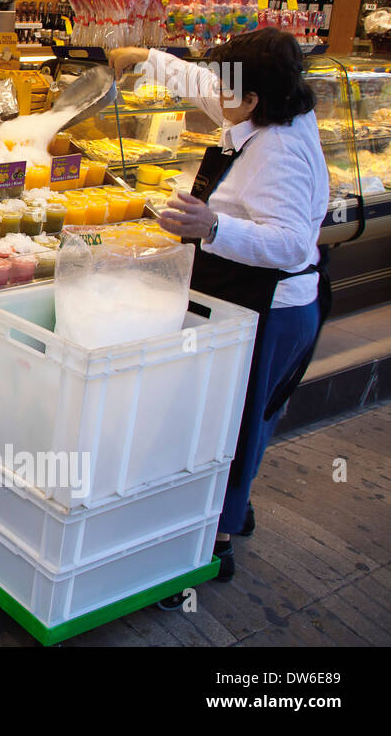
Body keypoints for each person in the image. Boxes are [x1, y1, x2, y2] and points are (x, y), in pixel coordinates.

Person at [109, 29, 332, 589]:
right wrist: (145, 59)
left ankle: (217, 539)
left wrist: (212, 225)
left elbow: (289, 243)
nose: (215, 91)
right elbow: (205, 87)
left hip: (272, 309)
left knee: (237, 424)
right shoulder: (266, 111)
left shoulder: (280, 151)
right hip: (253, 301)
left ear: (254, 98)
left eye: (228, 83)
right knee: (242, 416)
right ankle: (232, 505)